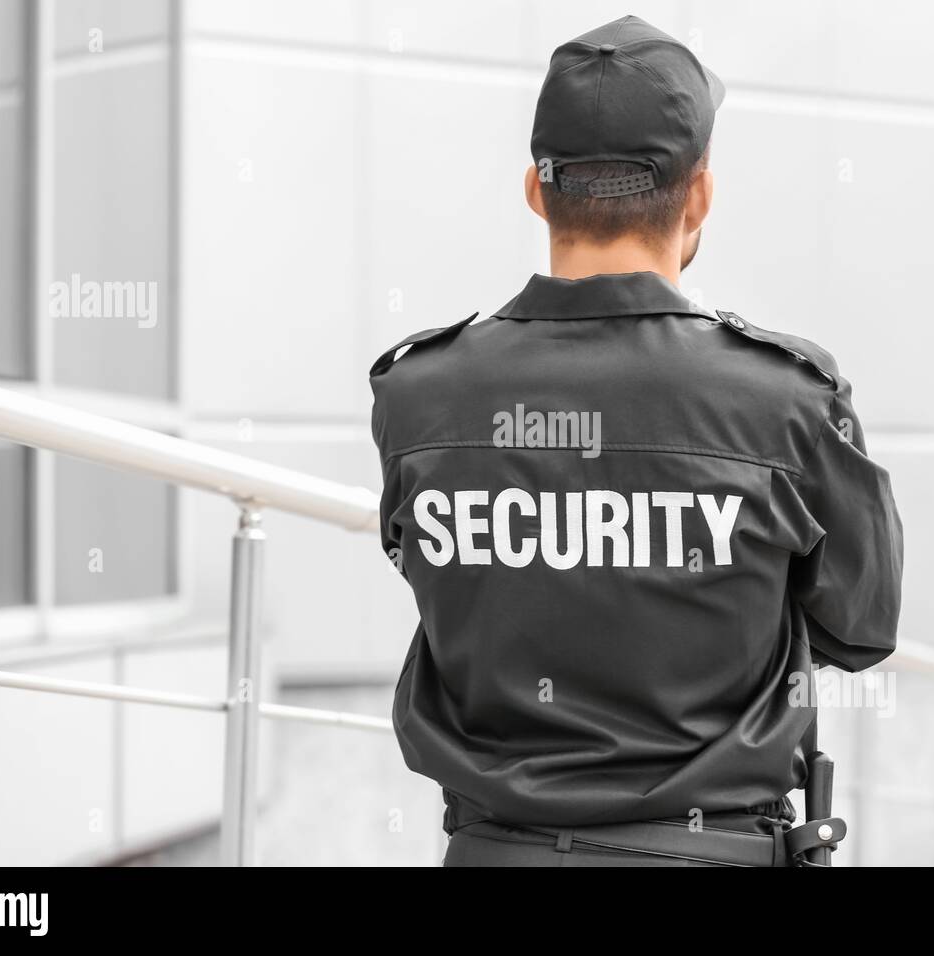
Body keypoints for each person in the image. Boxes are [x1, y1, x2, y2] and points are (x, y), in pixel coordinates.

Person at [368, 14, 904, 867]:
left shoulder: (417, 392)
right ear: (698, 196)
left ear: (538, 192)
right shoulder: (790, 398)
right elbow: (860, 630)